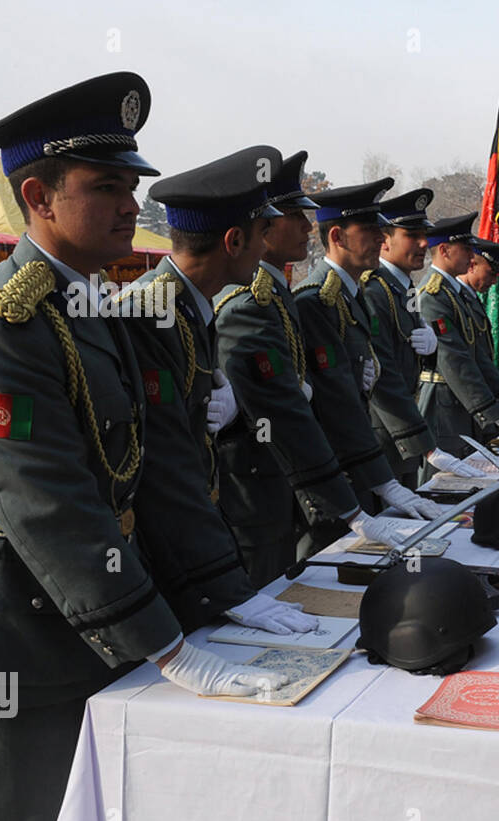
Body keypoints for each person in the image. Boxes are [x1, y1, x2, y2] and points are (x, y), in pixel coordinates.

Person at [0, 73, 289, 821]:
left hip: (85, 613)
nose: (132, 205)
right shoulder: (4, 328)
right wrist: (164, 641)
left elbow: (149, 475)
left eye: (132, 186)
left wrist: (221, 598)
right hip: (12, 627)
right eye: (107, 187)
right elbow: (52, 508)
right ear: (38, 197)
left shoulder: (83, 307)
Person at [121, 144, 319, 635]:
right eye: (262, 233)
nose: (265, 246)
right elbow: (163, 468)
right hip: (168, 543)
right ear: (233, 241)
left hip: (200, 527)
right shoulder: (150, 314)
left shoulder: (191, 308)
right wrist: (227, 586)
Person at [214, 151, 399, 587]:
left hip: (292, 476)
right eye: (292, 215)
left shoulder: (278, 295)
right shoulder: (256, 301)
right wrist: (352, 507)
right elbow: (285, 409)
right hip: (257, 483)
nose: (304, 227)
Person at [292, 180, 442, 520]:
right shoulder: (317, 300)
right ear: (337, 237)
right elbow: (336, 400)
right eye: (370, 228)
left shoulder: (350, 295)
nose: (380, 237)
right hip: (338, 466)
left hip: (362, 457)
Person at [361, 189, 485, 485]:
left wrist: (428, 352)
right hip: (386, 432)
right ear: (386, 239)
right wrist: (425, 446)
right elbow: (384, 374)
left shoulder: (404, 289)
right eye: (411, 235)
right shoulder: (375, 290)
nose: (422, 243)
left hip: (406, 430)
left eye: (424, 235)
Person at [415, 213, 499, 461]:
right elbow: (455, 361)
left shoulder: (454, 293)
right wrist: (495, 414)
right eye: (465, 248)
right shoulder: (434, 295)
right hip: (443, 406)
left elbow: (478, 358)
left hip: (463, 404)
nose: (472, 256)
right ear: (444, 250)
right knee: (444, 489)